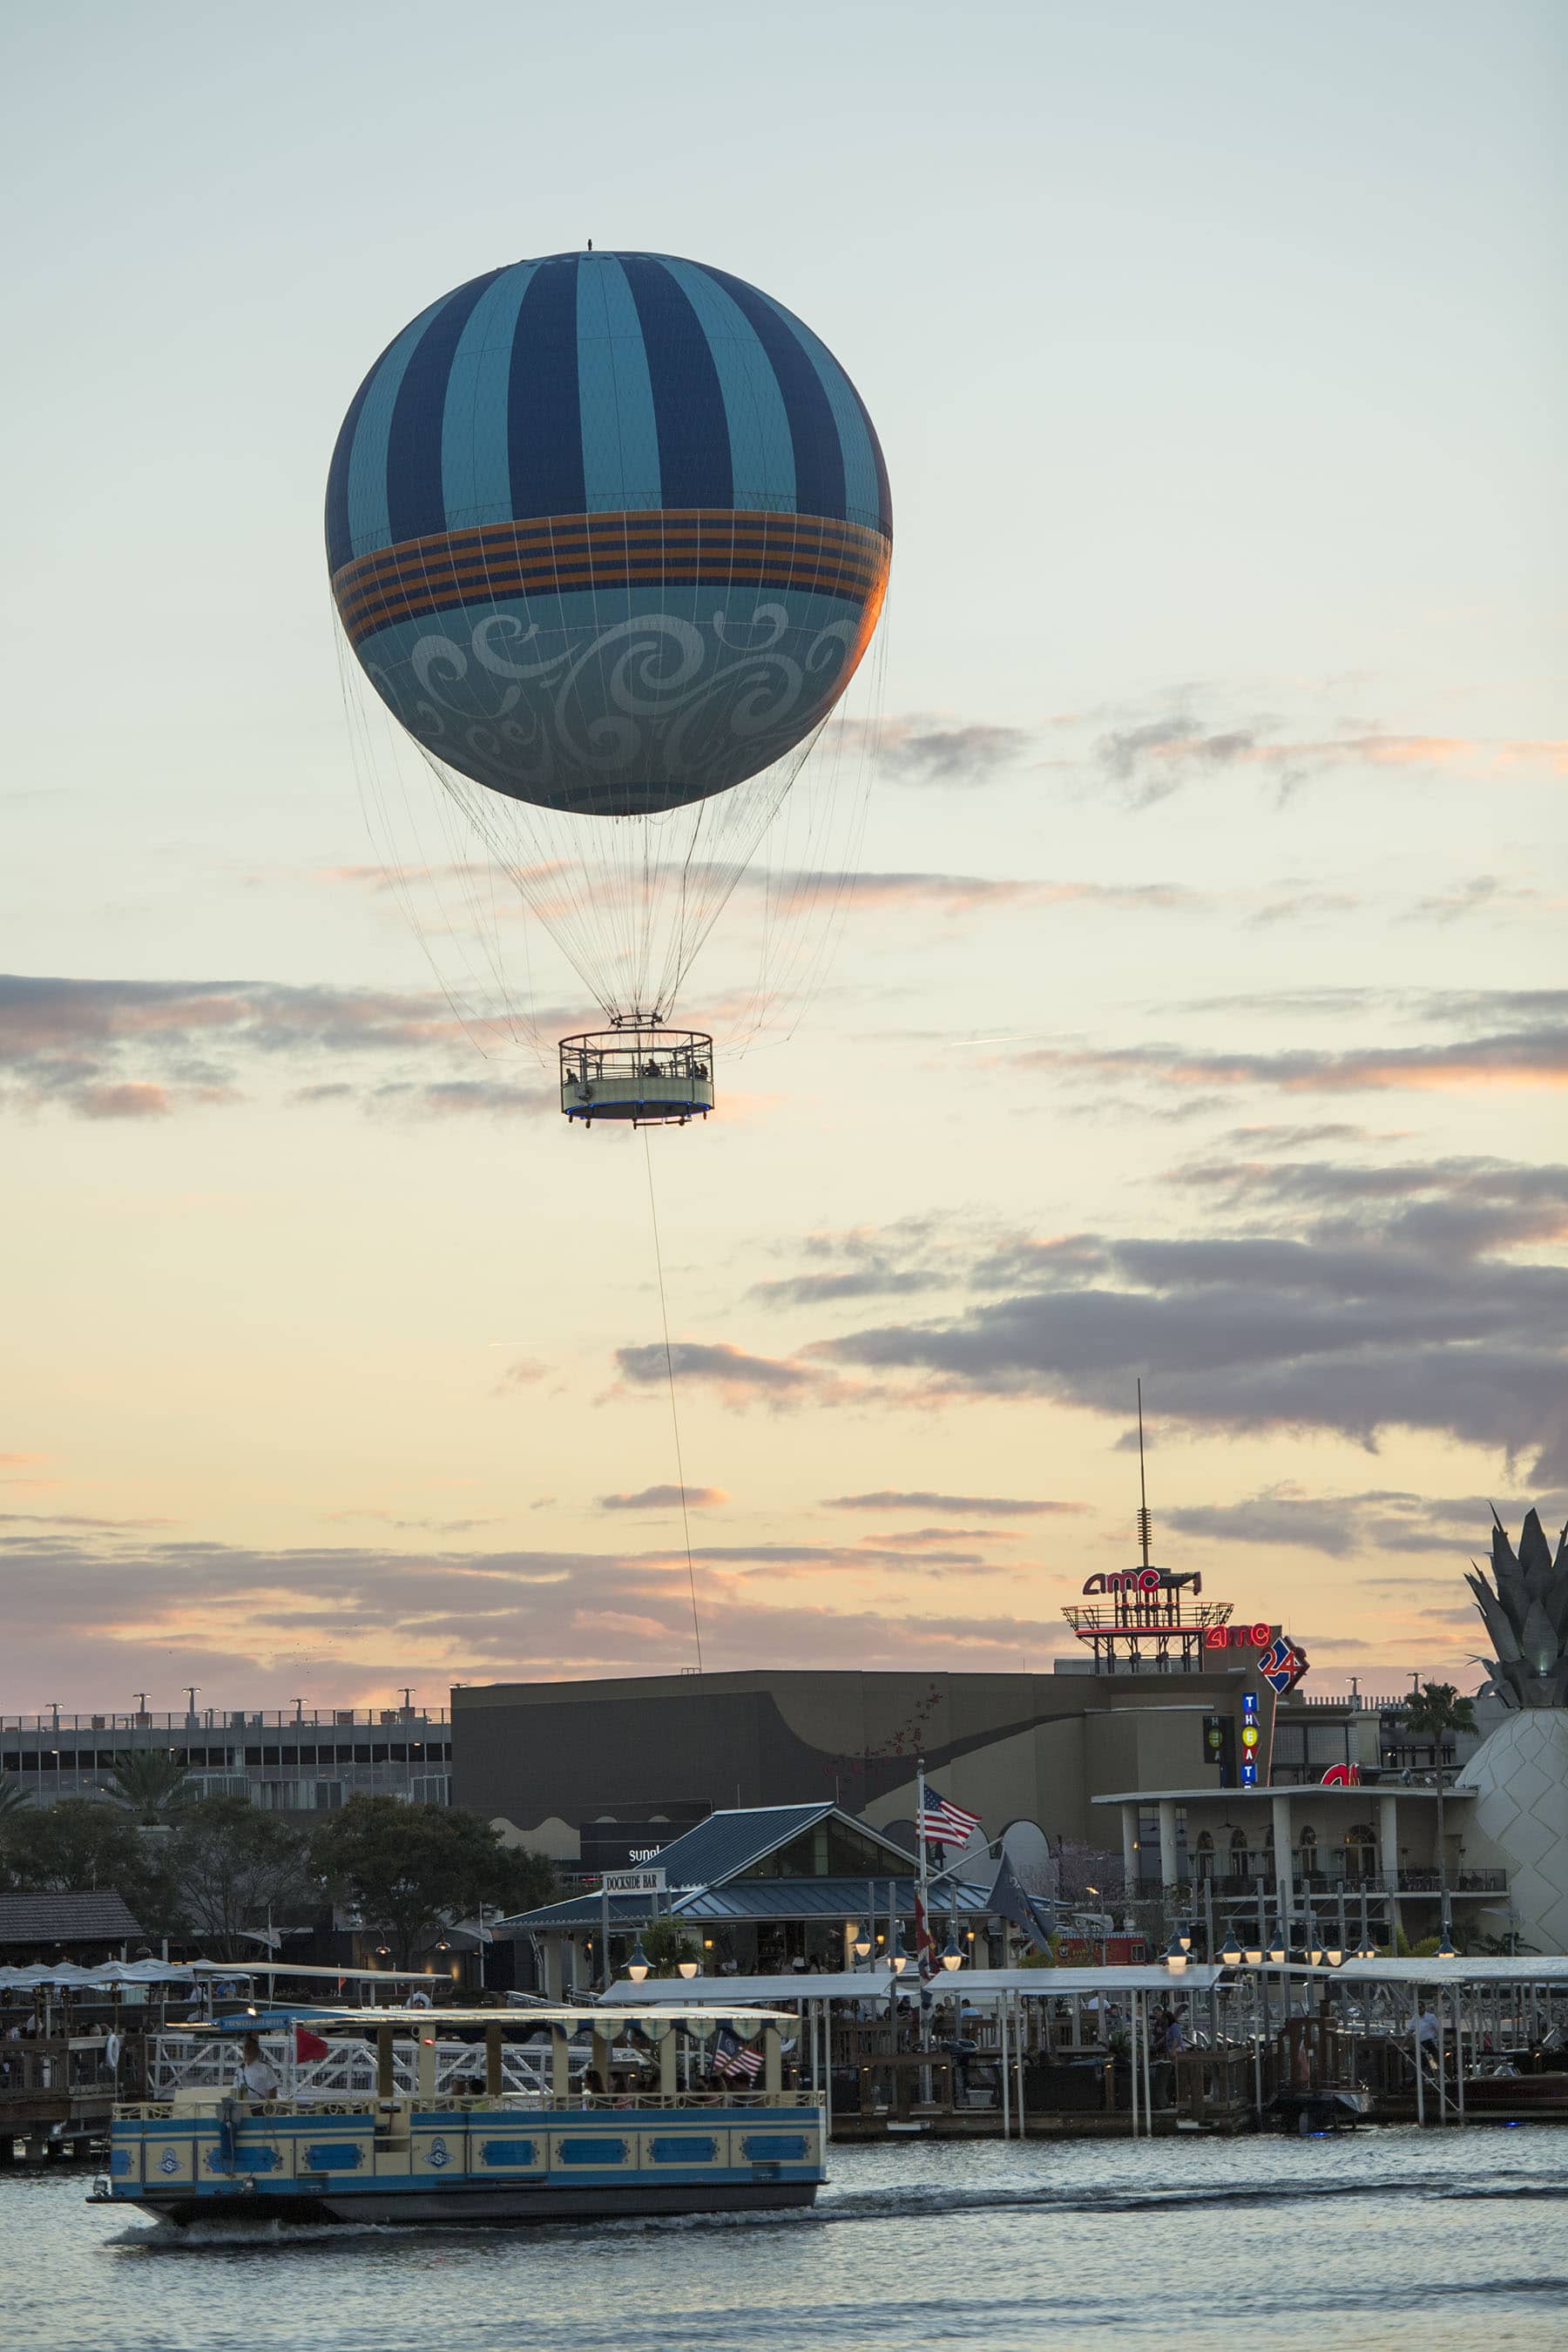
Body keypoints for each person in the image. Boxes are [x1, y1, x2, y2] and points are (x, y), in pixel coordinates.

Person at [240, 2033, 280, 2101]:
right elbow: (236, 2089)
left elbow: (273, 2090)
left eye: (251, 2048)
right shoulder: (240, 2069)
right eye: (246, 2048)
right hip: (244, 2107)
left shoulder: (265, 2069)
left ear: (257, 2051)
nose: (248, 2051)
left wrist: (269, 2107)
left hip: (261, 2107)